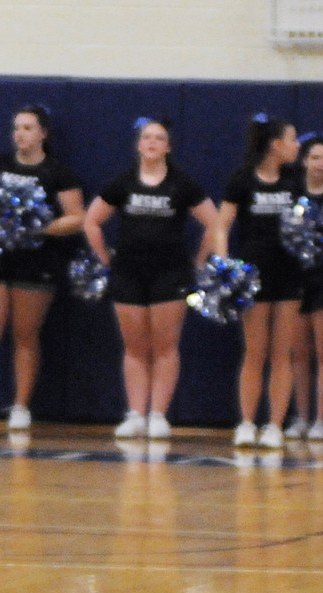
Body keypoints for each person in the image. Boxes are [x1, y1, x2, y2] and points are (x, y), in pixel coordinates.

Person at [0, 105, 84, 433]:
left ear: (43, 133)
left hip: (37, 262)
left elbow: (77, 217)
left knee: (25, 335)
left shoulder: (58, 172)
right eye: (16, 128)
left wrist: (38, 227)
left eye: (28, 128)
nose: (20, 134)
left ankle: (21, 407)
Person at [84, 118, 217, 441]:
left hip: (170, 273)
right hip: (128, 272)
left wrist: (199, 263)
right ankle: (135, 414)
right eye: (147, 137)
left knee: (165, 345)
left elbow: (214, 223)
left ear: (168, 147)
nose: (153, 143)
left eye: (160, 138)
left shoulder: (182, 184)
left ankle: (158, 415)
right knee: (134, 346)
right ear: (139, 144)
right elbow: (91, 221)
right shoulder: (124, 182)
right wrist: (105, 259)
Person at [212, 115, 303, 449]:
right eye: (292, 139)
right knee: (255, 351)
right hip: (254, 276)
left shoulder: (296, 179)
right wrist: (225, 264)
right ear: (275, 145)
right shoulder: (242, 179)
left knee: (283, 353)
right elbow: (222, 225)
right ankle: (248, 423)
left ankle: (275, 426)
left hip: (290, 273)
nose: (297, 146)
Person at [295, 133, 323, 440]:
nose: (321, 164)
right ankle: (300, 417)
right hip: (296, 278)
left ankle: (321, 420)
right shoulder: (292, 194)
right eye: (315, 158)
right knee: (298, 353)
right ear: (304, 161)